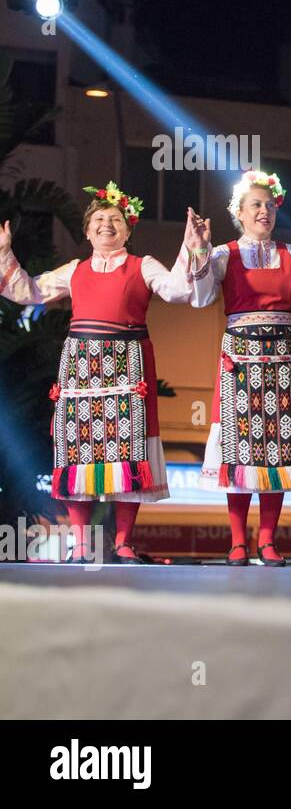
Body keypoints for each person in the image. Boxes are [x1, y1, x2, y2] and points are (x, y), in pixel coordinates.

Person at [0, 183, 191, 563]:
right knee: (78, 451)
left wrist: (192, 245)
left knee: (129, 452)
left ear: (128, 230)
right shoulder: (75, 270)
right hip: (81, 366)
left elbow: (179, 290)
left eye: (115, 219)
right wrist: (5, 252)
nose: (107, 225)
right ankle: (82, 544)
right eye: (99, 219)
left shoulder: (144, 265)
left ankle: (122, 542)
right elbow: (29, 291)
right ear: (87, 231)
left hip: (128, 363)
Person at [185, 170, 291, 566]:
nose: (264, 211)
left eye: (269, 205)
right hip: (239, 357)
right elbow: (199, 298)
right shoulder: (224, 254)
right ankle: (237, 541)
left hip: (283, 356)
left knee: (278, 447)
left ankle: (267, 540)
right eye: (255, 205)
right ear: (239, 211)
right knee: (239, 449)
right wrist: (198, 250)